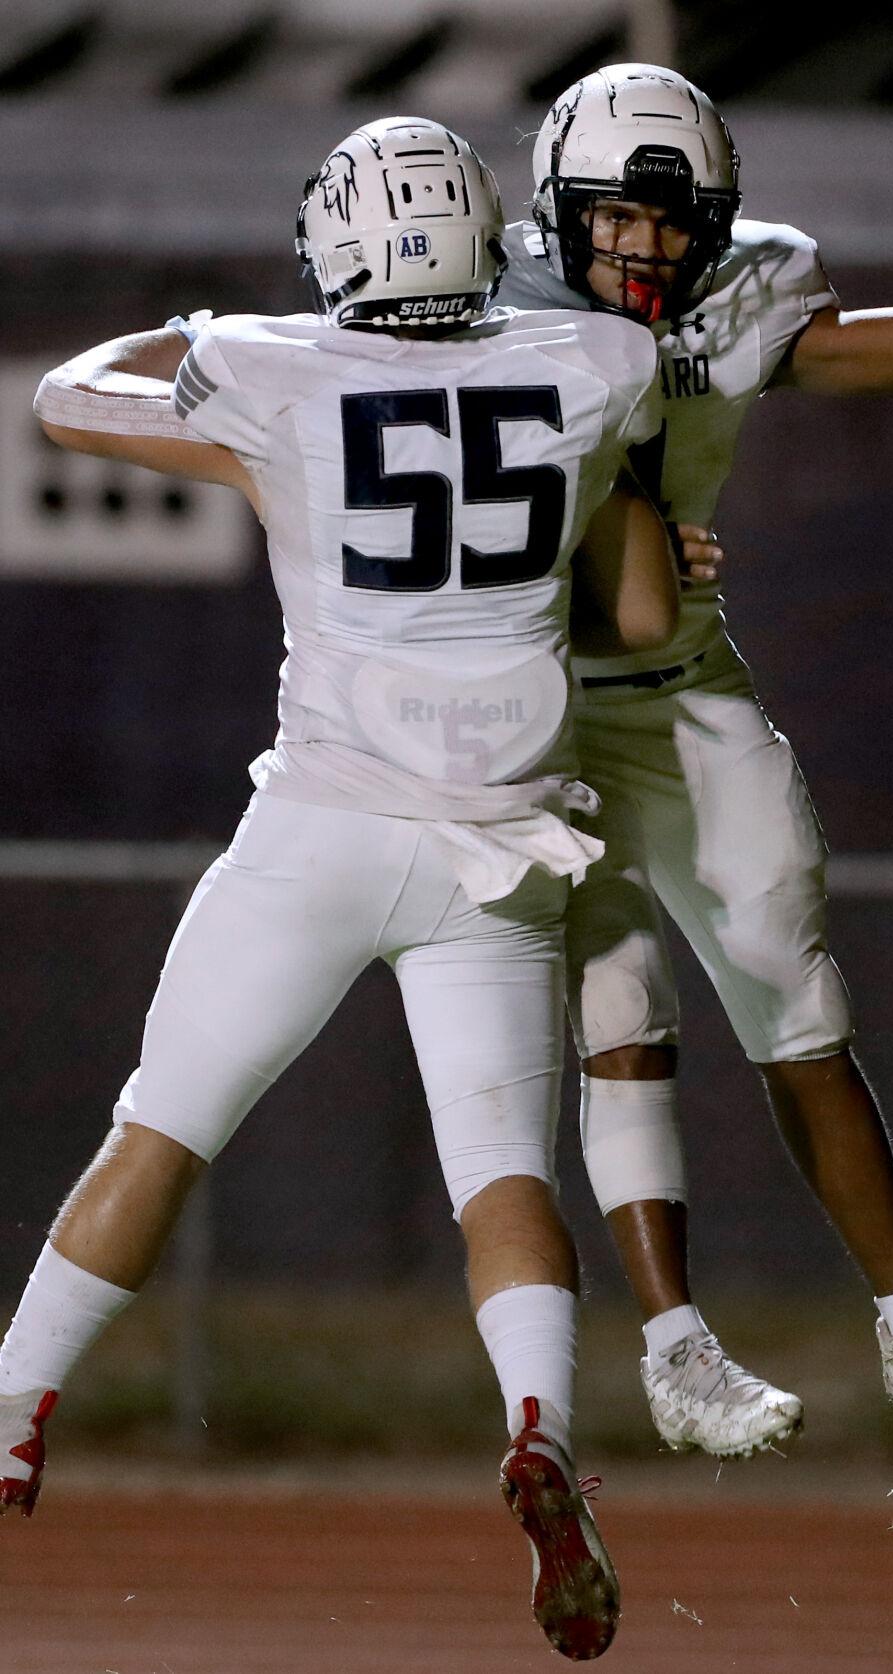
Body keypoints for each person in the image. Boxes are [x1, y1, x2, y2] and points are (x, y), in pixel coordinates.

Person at [0, 116, 683, 1663]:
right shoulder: (593, 368)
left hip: (323, 829)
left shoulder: (271, 367)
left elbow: (64, 398)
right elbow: (634, 603)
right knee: (504, 1174)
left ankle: (10, 1414)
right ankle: (537, 1428)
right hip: (499, 844)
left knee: (160, 1125)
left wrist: (181, 329)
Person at [495, 62, 893, 1455]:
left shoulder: (744, 298)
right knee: (621, 1016)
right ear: (557, 208)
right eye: (621, 215)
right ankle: (674, 1348)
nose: (649, 246)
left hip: (682, 697)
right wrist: (610, 557)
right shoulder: (478, 311)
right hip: (532, 712)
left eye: (676, 221)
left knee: (799, 1001)